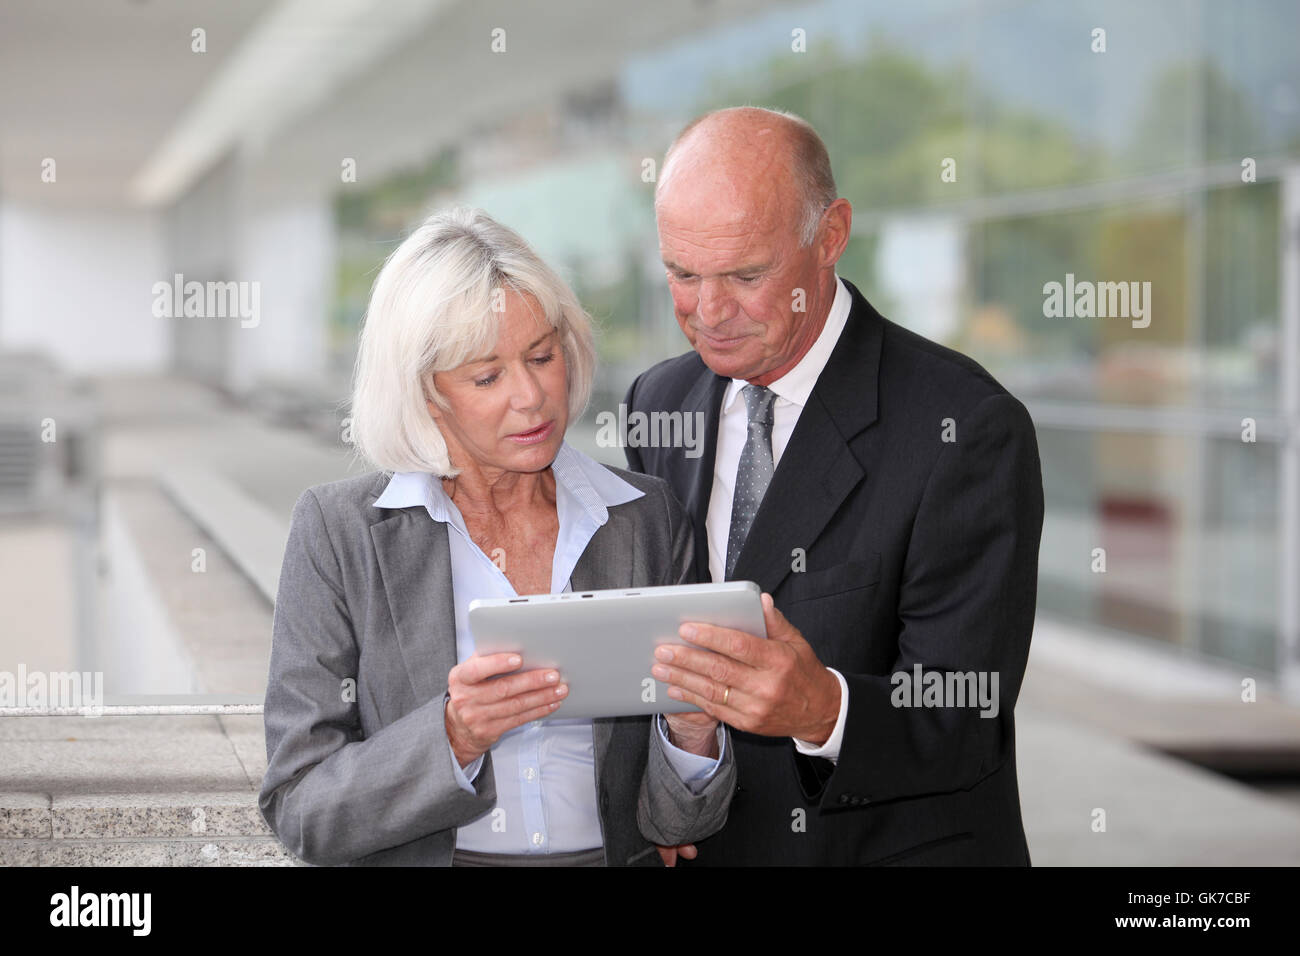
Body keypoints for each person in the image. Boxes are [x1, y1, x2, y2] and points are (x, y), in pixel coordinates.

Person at [623, 107, 1044, 865]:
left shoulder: (964, 426)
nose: (708, 313)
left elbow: (967, 709)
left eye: (746, 275)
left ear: (832, 236)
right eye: (682, 274)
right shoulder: (658, 403)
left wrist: (824, 708)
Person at [259, 206, 735, 867]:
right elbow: (301, 809)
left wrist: (692, 732)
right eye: (487, 376)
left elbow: (682, 825)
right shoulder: (337, 534)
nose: (532, 396)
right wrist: (453, 736)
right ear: (427, 394)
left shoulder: (646, 517)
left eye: (543, 356)